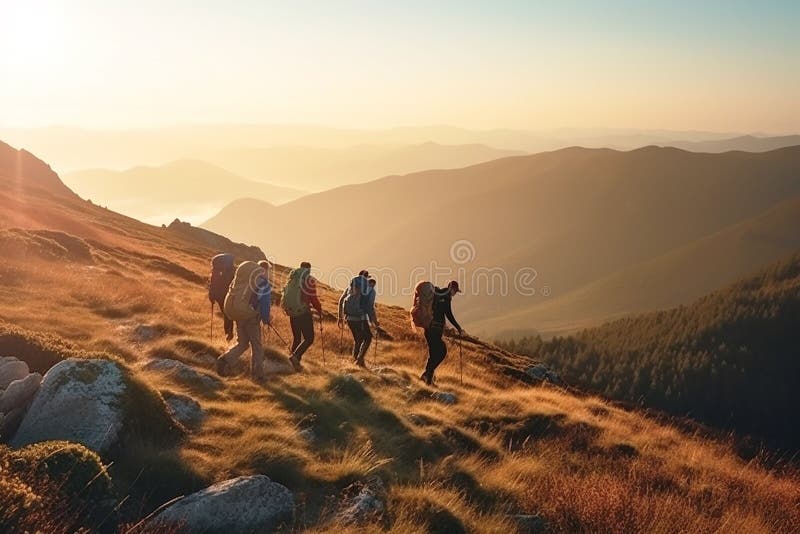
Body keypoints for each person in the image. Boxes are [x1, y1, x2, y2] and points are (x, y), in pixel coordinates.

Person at [217, 260, 272, 381]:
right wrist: (266, 319)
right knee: (257, 346)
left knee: (242, 343)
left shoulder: (244, 280)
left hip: (239, 315)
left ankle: (224, 359)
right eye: (268, 271)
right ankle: (258, 376)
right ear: (264, 270)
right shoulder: (263, 284)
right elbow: (265, 304)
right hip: (251, 318)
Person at [421, 280, 463, 385]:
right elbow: (448, 313)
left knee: (433, 353)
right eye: (455, 291)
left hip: (428, 328)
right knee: (442, 352)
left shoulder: (438, 294)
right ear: (451, 288)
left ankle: (428, 380)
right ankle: (427, 374)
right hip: (435, 329)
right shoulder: (446, 297)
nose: (454, 293)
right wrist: (458, 327)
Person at [287, 261, 322, 372]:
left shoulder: (293, 278)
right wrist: (319, 309)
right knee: (309, 338)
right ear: (309, 269)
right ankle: (295, 357)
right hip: (303, 312)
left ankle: (292, 364)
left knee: (297, 338)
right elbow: (313, 297)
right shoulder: (309, 280)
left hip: (293, 313)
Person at [338, 276, 373, 367]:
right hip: (359, 319)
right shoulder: (364, 295)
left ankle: (355, 360)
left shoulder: (349, 292)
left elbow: (341, 301)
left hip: (349, 319)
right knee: (368, 338)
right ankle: (359, 360)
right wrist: (374, 321)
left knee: (358, 339)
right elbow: (369, 308)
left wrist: (340, 317)